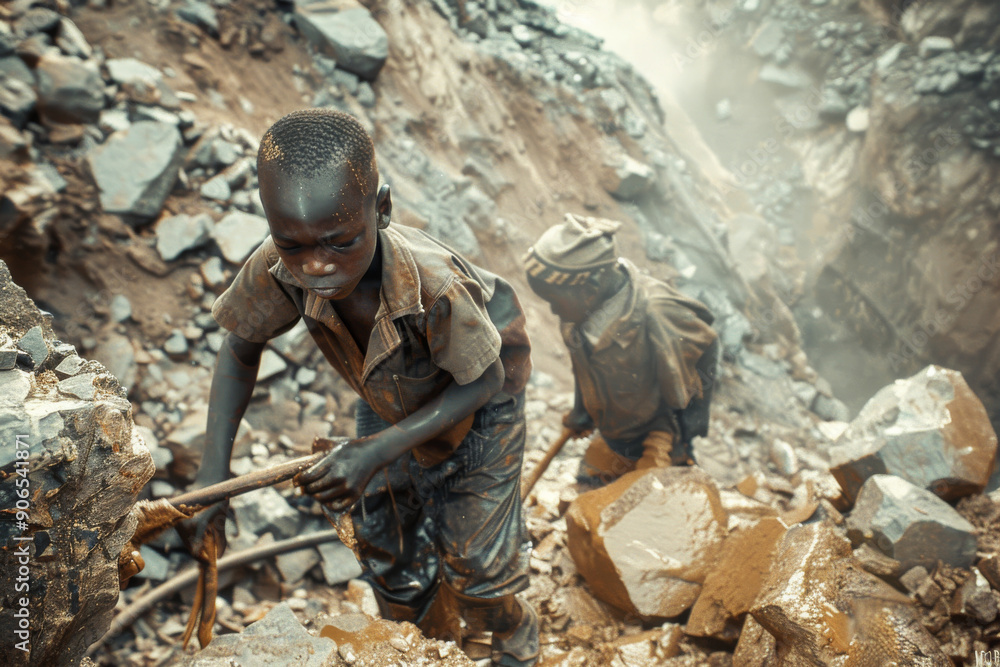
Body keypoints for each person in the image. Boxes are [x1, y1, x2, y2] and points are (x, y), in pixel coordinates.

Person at [184, 109, 538, 666]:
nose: (316, 265)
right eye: (291, 244)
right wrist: (212, 479)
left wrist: (374, 451)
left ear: (383, 208)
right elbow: (238, 351)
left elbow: (485, 380)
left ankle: (515, 631)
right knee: (384, 546)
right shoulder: (280, 264)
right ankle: (423, 644)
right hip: (389, 400)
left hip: (479, 404)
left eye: (339, 242)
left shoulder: (435, 283)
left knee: (477, 567)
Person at [524, 214, 719, 483]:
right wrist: (582, 411)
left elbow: (707, 345)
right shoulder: (575, 318)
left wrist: (690, 426)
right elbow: (583, 368)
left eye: (556, 301)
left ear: (590, 287)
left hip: (658, 433)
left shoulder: (657, 311)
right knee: (588, 492)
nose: (554, 311)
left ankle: (679, 461)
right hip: (615, 435)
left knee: (654, 504)